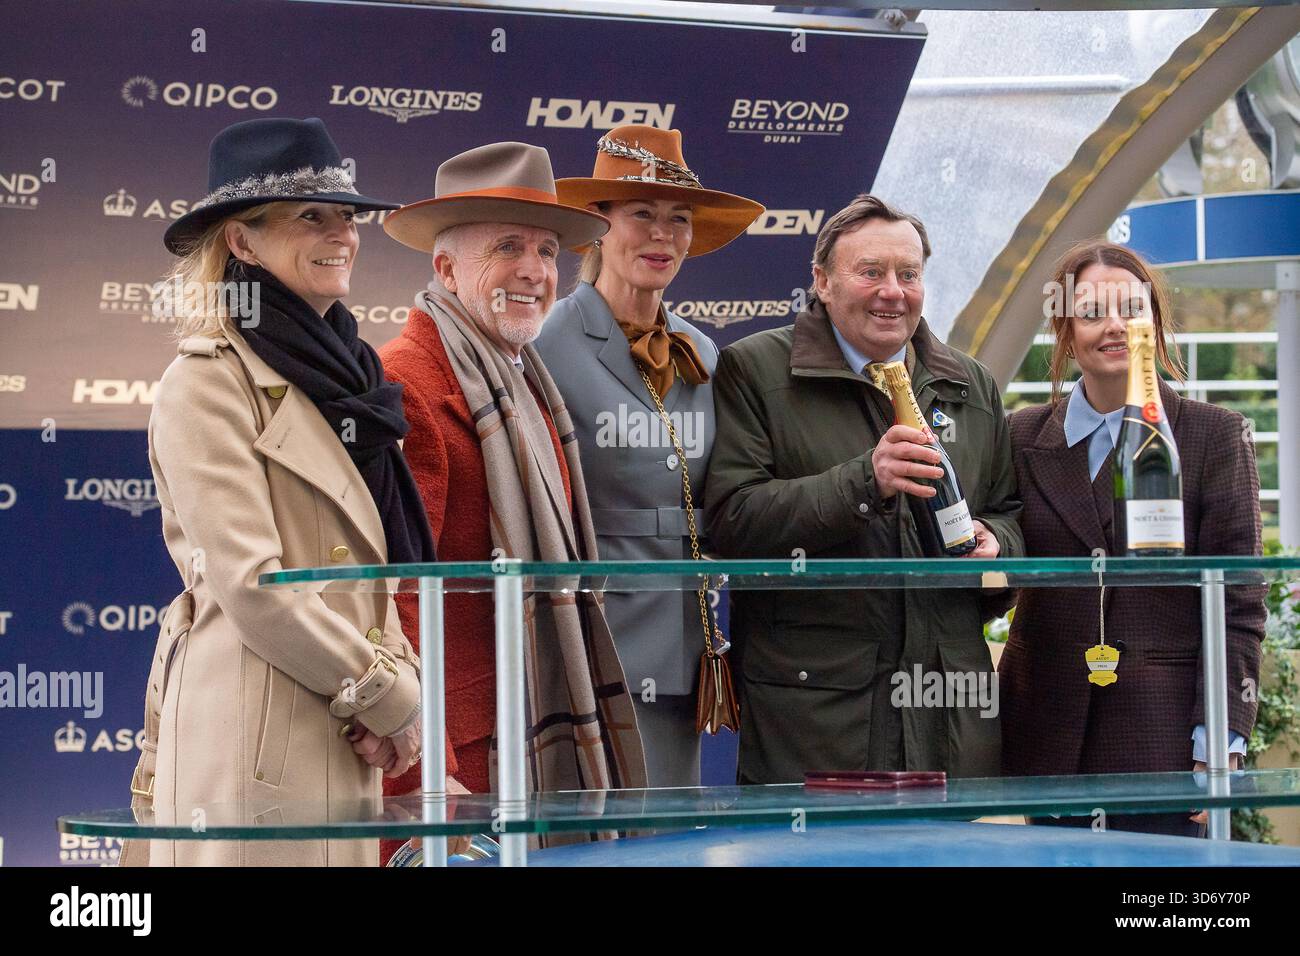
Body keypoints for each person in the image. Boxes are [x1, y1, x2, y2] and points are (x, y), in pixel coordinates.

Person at [123, 117, 432, 867]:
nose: (343, 234)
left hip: (337, 719)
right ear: (242, 241)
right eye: (311, 216)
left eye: (347, 215)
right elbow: (254, 584)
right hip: (253, 742)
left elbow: (371, 571)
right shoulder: (204, 382)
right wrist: (388, 697)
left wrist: (396, 688)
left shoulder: (352, 377)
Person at [377, 142, 648, 863]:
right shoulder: (407, 380)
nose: (535, 270)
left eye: (547, 250)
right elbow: (388, 594)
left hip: (519, 730)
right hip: (450, 759)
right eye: (508, 247)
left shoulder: (517, 375)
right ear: (444, 268)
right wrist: (423, 764)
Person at [704, 193, 1024, 784]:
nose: (893, 291)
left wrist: (995, 543)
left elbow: (1010, 513)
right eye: (870, 272)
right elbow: (731, 518)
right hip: (817, 720)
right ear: (822, 282)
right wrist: (865, 480)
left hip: (947, 709)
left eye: (909, 274)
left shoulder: (969, 382)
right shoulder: (754, 369)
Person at [999, 239, 1264, 836]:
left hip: (1164, 736)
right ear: (1065, 331)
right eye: (1092, 312)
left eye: (1132, 309)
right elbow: (991, 572)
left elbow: (1238, 600)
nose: (1114, 326)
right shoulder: (1018, 436)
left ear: (1155, 323)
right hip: (1048, 734)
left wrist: (1220, 734)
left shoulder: (1213, 436)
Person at [534, 125, 763, 786]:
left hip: (691, 647)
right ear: (599, 226)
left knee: (672, 842)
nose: (661, 235)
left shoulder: (704, 351)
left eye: (678, 219)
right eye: (641, 214)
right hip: (592, 647)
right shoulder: (548, 341)